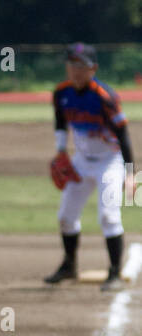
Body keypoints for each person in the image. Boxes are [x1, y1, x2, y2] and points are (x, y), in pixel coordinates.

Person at [44, 42, 135, 291]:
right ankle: (69, 265)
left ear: (93, 68)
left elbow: (123, 134)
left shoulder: (104, 97)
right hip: (81, 163)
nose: (75, 70)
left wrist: (130, 173)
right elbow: (60, 120)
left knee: (108, 215)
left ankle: (114, 272)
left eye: (81, 65)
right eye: (71, 64)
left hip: (110, 162)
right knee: (65, 217)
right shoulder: (61, 92)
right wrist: (61, 149)